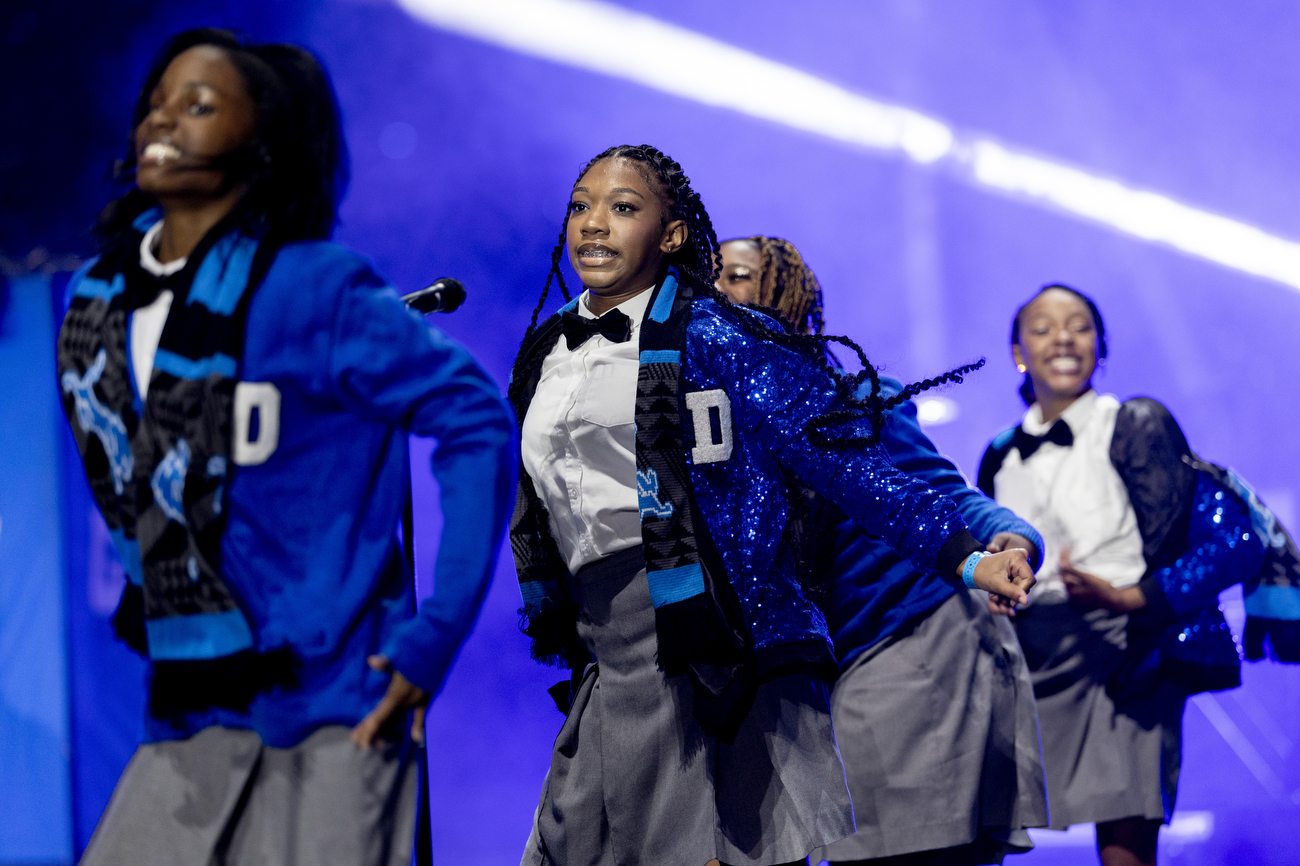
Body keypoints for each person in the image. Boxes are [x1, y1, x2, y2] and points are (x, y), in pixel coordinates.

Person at [56, 29, 516, 865]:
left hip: (338, 709)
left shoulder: (315, 288)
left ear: (258, 143)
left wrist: (435, 634)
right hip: (191, 708)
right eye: (157, 102)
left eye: (199, 105)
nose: (164, 120)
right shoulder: (96, 301)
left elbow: (477, 421)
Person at [506, 145, 1037, 866]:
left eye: (623, 207)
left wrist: (971, 555)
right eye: (580, 206)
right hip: (606, 646)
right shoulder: (546, 351)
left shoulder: (715, 337)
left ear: (670, 236)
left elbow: (858, 469)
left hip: (705, 637)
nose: (594, 224)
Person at [717, 236, 1049, 866]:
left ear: (784, 294)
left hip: (922, 644)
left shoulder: (852, 398)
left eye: (736, 275)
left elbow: (943, 490)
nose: (718, 290)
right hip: (845, 664)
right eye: (711, 277)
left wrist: (1008, 540)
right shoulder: (723, 428)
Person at [976, 284, 1277, 866]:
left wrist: (1132, 596)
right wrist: (996, 592)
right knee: (988, 821)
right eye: (1042, 327)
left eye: (1079, 325)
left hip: (1125, 653)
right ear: (1018, 352)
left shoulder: (1136, 422)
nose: (1062, 337)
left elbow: (1239, 542)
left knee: (1125, 840)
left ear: (1101, 348)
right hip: (1032, 655)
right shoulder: (998, 453)